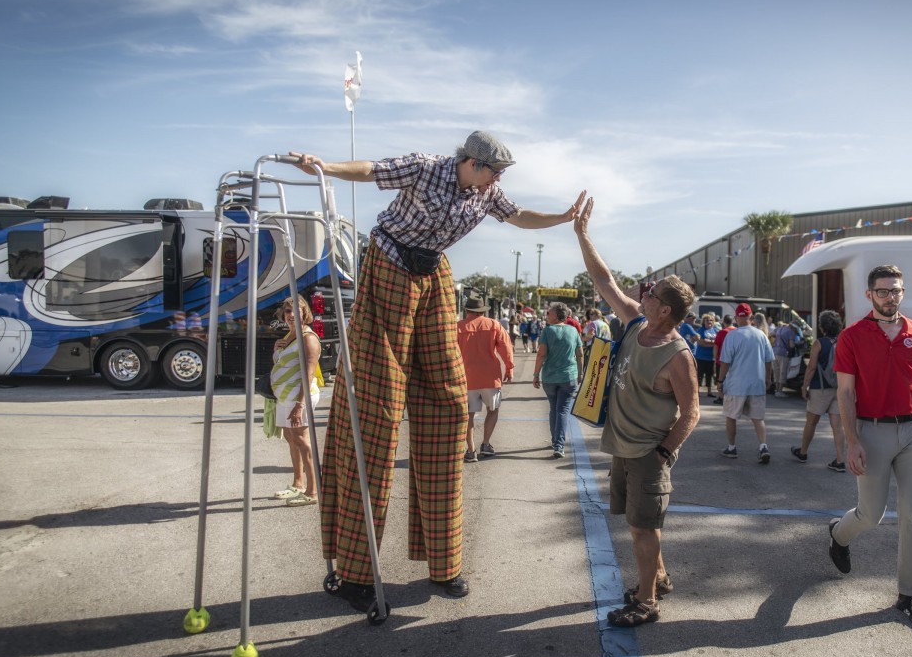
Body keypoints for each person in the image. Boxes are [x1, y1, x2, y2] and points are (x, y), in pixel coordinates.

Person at [289, 132, 583, 606]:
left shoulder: (486, 192)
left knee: (449, 408)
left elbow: (519, 216)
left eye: (501, 174)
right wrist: (324, 166)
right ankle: (357, 574)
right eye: (493, 170)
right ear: (469, 162)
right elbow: (371, 171)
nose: (497, 179)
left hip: (432, 274)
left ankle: (444, 564)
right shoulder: (426, 167)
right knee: (377, 415)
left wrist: (563, 218)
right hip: (388, 266)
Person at [573, 196, 700, 628]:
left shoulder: (678, 356)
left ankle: (646, 601)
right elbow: (604, 279)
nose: (641, 295)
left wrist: (663, 453)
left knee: (644, 529)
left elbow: (691, 413)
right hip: (623, 449)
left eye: (651, 294)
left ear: (665, 310)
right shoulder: (634, 324)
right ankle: (658, 577)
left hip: (648, 452)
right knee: (637, 524)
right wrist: (582, 234)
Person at [828, 264, 912, 630]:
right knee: (871, 515)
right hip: (872, 431)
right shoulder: (852, 337)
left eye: (896, 291)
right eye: (883, 291)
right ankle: (837, 534)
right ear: (869, 295)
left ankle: (909, 597)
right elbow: (845, 393)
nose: (890, 297)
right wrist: (852, 442)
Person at [269, 294, 323, 507]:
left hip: (299, 397)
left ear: (304, 312)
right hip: (285, 396)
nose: (291, 315)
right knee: (291, 438)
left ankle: (312, 491)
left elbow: (309, 373)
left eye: (295, 310)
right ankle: (298, 484)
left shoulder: (309, 338)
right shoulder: (290, 335)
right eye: (288, 311)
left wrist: (300, 405)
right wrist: (276, 348)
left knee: (302, 440)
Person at [457, 296, 514, 462]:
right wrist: (509, 367)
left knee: (468, 415)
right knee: (493, 410)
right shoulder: (493, 325)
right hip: (490, 377)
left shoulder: (457, 327)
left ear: (467, 310)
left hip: (466, 378)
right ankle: (486, 444)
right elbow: (506, 347)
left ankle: (470, 450)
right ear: (483, 310)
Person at [717, 303, 775, 464]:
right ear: (751, 317)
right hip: (756, 383)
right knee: (758, 418)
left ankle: (731, 447)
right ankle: (763, 446)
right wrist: (768, 378)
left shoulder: (732, 336)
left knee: (731, 416)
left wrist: (720, 381)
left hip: (736, 384)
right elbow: (769, 360)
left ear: (737, 318)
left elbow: (725, 362)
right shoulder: (761, 335)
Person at [791, 309, 846, 471]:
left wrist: (804, 386)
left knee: (811, 422)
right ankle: (840, 459)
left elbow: (812, 367)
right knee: (837, 425)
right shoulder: (844, 342)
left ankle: (803, 452)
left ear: (822, 327)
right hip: (839, 387)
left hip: (819, 388)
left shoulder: (819, 343)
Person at [532, 302, 583, 458]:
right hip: (569, 377)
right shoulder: (573, 331)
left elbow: (541, 354)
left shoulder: (548, 331)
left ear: (555, 315)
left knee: (554, 409)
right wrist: (580, 374)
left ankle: (557, 442)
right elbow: (580, 353)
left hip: (550, 378)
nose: (547, 315)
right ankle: (558, 444)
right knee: (562, 410)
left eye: (549, 313)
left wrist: (536, 374)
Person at [690, 313, 718, 397]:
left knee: (710, 375)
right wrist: (713, 343)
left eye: (711, 320)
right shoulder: (701, 330)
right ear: (703, 322)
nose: (709, 322)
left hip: (711, 357)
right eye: (707, 320)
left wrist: (708, 341)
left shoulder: (715, 330)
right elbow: (700, 343)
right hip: (701, 357)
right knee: (699, 375)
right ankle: (696, 391)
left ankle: (709, 391)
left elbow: (717, 343)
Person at [712, 315, 735, 404]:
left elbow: (716, 346)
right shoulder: (736, 331)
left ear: (724, 322)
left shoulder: (722, 332)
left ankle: (721, 397)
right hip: (734, 360)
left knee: (721, 379)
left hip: (722, 359)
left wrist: (715, 357)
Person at [772, 320, 798, 396]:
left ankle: (776, 390)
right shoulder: (791, 332)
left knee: (776, 371)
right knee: (782, 372)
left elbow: (771, 334)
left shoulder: (779, 328)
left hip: (775, 352)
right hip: (783, 353)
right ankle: (780, 391)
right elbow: (791, 345)